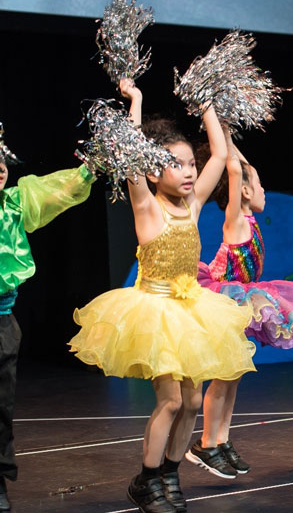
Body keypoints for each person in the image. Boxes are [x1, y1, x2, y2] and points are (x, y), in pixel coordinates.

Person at [69, 79, 256, 513]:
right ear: (153, 172)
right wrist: (135, 100)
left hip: (189, 310)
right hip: (155, 311)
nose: (189, 172)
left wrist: (207, 104)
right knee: (170, 400)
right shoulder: (148, 208)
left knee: (192, 401)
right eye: (176, 165)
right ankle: (147, 480)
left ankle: (171, 474)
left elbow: (220, 156)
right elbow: (133, 155)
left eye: (190, 164)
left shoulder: (193, 206)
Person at [188, 132, 293, 478]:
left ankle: (222, 438)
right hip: (223, 299)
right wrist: (223, 131)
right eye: (257, 186)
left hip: (242, 297)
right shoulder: (236, 218)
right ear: (243, 191)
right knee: (224, 375)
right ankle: (205, 444)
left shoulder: (249, 216)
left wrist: (231, 138)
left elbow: (245, 168)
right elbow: (236, 170)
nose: (263, 190)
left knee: (235, 373)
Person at [0, 139, 95, 512]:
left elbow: (59, 190)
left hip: (2, 323)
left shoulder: (13, 204)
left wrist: (91, 167)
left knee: (0, 406)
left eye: (1, 161)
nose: (0, 169)